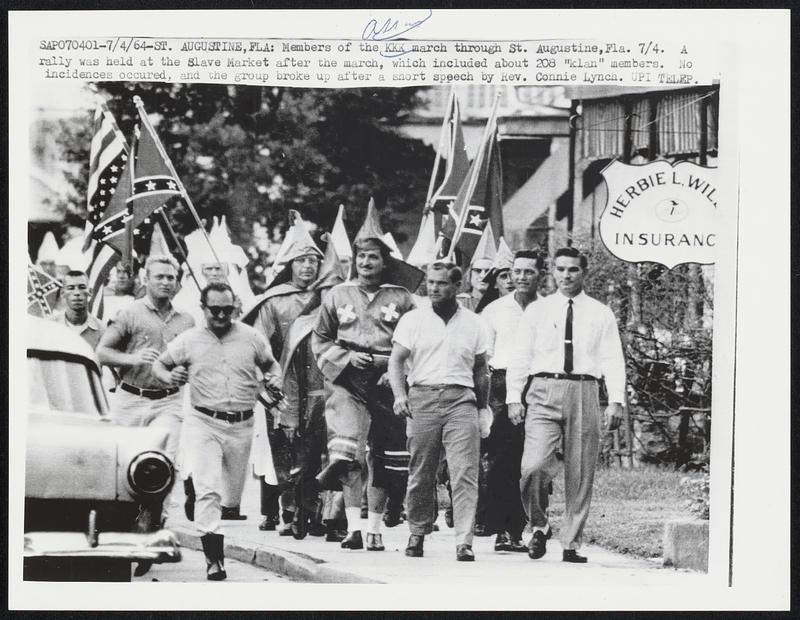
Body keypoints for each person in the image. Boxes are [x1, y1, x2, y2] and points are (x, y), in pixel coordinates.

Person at [152, 282, 282, 580]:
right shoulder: (189, 340)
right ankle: (214, 560)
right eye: (215, 310)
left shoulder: (251, 338)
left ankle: (192, 489)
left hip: (242, 423)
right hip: (203, 421)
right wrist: (171, 375)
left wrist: (274, 379)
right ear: (203, 308)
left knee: (230, 499)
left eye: (227, 309)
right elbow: (160, 366)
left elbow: (272, 366)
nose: (222, 316)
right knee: (208, 490)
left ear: (235, 307)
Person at [311, 203, 421, 552]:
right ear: (353, 260)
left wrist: (400, 371)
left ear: (383, 260)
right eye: (361, 257)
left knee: (384, 456)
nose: (366, 263)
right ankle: (353, 527)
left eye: (373, 257)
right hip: (347, 381)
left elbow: (418, 340)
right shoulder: (337, 295)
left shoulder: (402, 298)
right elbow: (320, 339)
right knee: (349, 453)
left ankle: (375, 527)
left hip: (387, 380)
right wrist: (346, 357)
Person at [506, 247, 626, 563]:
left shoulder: (600, 312)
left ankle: (571, 541)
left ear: (583, 272)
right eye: (560, 269)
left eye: (572, 269)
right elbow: (520, 355)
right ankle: (538, 526)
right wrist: (512, 398)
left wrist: (615, 400)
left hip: (584, 390)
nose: (565, 275)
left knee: (580, 469)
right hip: (543, 389)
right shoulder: (538, 311)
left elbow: (613, 358)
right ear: (552, 272)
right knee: (532, 466)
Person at [388, 262, 493, 562]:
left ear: (457, 287)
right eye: (431, 282)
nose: (434, 288)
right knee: (421, 471)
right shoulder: (413, 320)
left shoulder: (474, 323)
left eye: (442, 283)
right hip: (422, 397)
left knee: (464, 472)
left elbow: (481, 370)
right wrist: (399, 395)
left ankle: (463, 540)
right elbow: (396, 361)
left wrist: (482, 409)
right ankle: (417, 531)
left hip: (461, 400)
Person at [244, 218, 337, 538]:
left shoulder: (329, 297)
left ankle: (320, 514)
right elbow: (257, 342)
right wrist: (266, 381)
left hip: (324, 382)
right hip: (286, 382)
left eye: (313, 260)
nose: (308, 267)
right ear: (290, 264)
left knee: (324, 450)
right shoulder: (274, 300)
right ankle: (289, 512)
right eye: (301, 260)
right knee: (287, 448)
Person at [96, 255, 195, 497]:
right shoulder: (129, 313)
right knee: (119, 461)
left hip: (168, 402)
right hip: (130, 399)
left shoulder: (187, 319)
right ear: (146, 279)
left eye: (171, 277)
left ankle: (157, 522)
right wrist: (133, 358)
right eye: (159, 277)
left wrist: (184, 372)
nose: (166, 282)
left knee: (162, 464)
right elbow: (102, 352)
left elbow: (194, 359)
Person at [480, 250, 543, 553]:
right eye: (516, 271)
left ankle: (533, 526)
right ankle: (504, 531)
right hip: (501, 385)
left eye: (528, 272)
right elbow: (483, 354)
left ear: (539, 275)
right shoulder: (495, 310)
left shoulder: (548, 310)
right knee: (503, 458)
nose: (520, 277)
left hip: (539, 384)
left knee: (533, 459)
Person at [54, 270, 105, 350]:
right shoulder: (50, 325)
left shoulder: (102, 330)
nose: (77, 292)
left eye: (82, 287)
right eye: (71, 288)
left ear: (90, 292)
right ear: (62, 293)